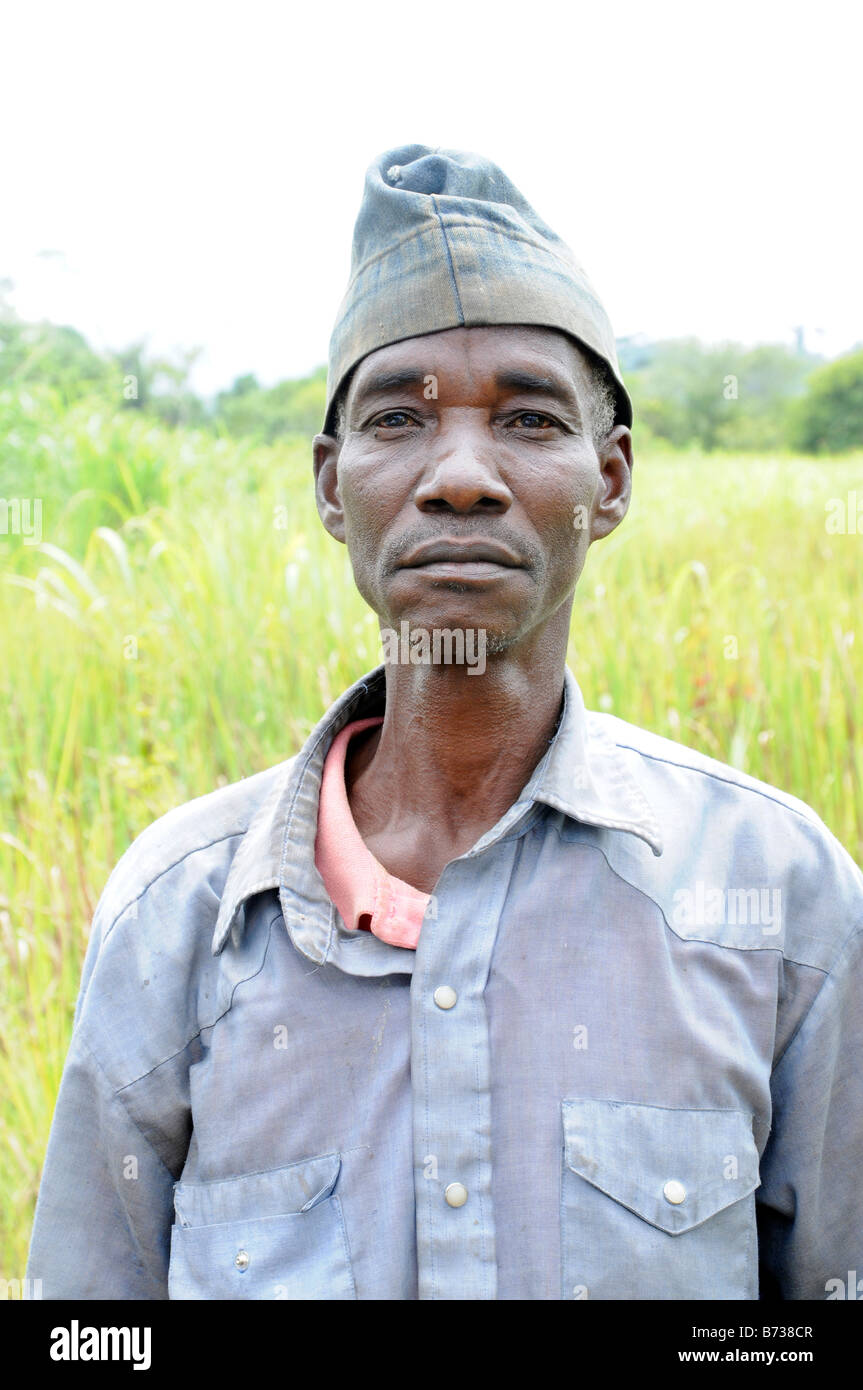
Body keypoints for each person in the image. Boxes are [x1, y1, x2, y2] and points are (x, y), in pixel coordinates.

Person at [26, 143, 863, 1301]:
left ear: (609, 480)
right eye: (395, 421)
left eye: (526, 420)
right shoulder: (174, 923)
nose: (459, 475)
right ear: (331, 485)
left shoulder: (779, 899)